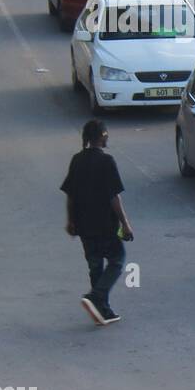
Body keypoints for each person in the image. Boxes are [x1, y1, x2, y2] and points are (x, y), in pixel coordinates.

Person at [61, 120, 134, 326]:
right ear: (102, 136)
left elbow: (70, 195)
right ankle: (95, 297)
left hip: (84, 225)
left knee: (95, 266)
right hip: (105, 225)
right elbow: (114, 197)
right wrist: (125, 224)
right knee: (117, 260)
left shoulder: (76, 160)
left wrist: (70, 221)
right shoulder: (107, 161)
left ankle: (103, 310)